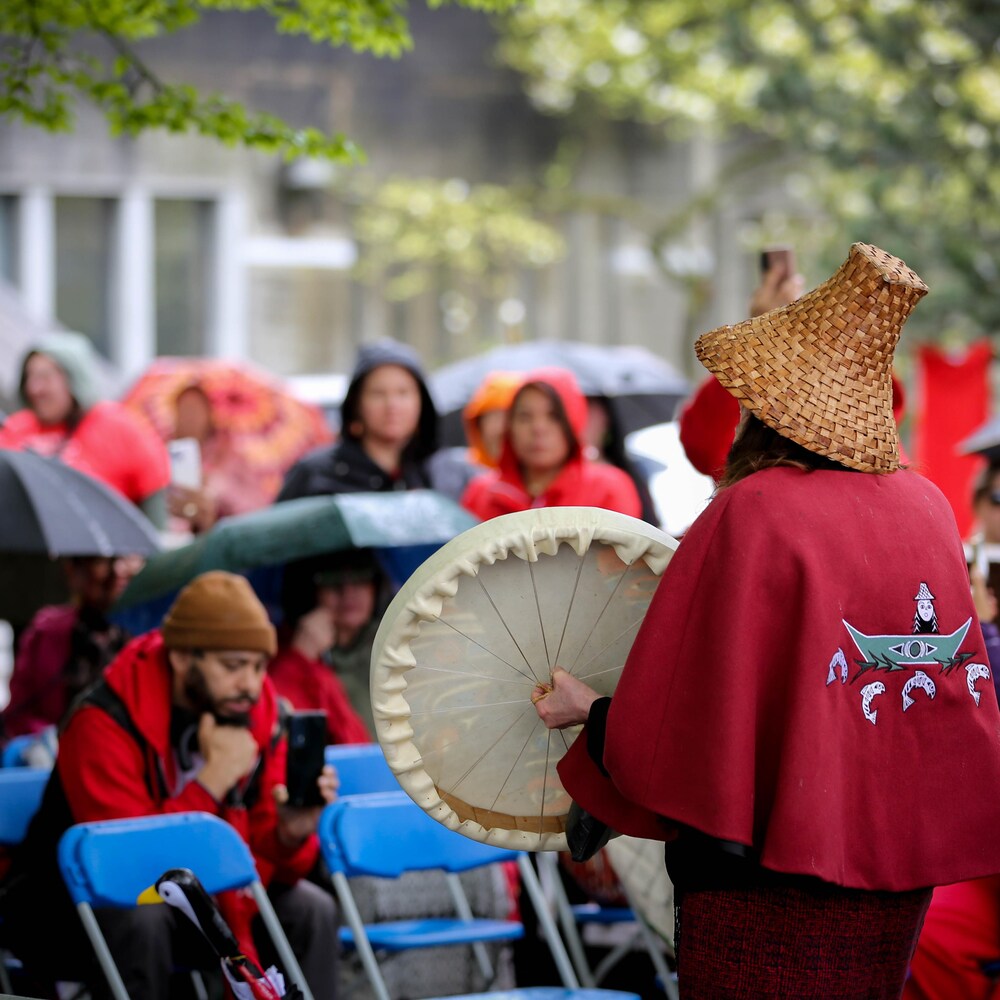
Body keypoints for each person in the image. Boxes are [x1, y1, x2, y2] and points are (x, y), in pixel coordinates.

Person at [531, 244, 1000, 997]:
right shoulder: (929, 507)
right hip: (896, 874)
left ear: (772, 407)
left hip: (764, 883)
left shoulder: (754, 509)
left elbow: (687, 723)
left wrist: (592, 715)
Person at [1, 571, 339, 1000]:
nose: (251, 685)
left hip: (199, 899)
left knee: (311, 907)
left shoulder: (258, 710)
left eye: (259, 666)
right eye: (233, 666)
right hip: (66, 907)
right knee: (144, 917)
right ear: (181, 657)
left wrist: (290, 834)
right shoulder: (104, 719)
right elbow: (126, 867)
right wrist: (211, 781)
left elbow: (260, 860)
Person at [0, 332, 169, 525]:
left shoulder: (117, 426)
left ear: (74, 379)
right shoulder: (16, 428)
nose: (34, 388)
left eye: (45, 378)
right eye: (29, 377)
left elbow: (155, 493)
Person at [461, 368, 642, 521]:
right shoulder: (481, 494)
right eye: (525, 416)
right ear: (510, 426)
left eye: (554, 416)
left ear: (573, 421)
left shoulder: (608, 489)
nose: (538, 428)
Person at [1, 554, 143, 746]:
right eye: (101, 561)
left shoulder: (149, 639)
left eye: (127, 558)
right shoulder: (48, 632)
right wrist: (47, 738)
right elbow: (18, 713)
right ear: (74, 571)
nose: (118, 571)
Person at [278, 339, 438, 500]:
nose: (392, 405)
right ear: (356, 404)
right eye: (378, 393)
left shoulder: (438, 476)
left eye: (403, 393)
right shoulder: (317, 475)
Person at [270, 549, 379, 742]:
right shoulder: (281, 654)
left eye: (360, 576)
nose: (348, 591)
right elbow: (277, 729)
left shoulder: (396, 647)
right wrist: (299, 659)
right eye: (330, 579)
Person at [167, 382, 283, 534]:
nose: (189, 418)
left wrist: (219, 489)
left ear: (209, 414)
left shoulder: (232, 455)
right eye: (184, 410)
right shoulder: (164, 453)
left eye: (195, 410)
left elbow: (254, 508)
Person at [428, 370, 520, 501]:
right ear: (479, 425)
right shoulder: (458, 473)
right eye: (494, 417)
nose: (501, 428)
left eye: (509, 417)